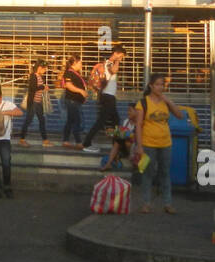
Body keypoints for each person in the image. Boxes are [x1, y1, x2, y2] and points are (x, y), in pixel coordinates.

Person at [132, 74, 193, 214]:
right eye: (158, 84)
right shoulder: (143, 103)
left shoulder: (166, 102)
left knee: (165, 173)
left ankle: (167, 203)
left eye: (162, 84)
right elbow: (139, 125)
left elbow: (180, 115)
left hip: (165, 143)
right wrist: (139, 146)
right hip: (148, 143)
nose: (160, 87)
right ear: (151, 86)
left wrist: (169, 101)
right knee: (148, 173)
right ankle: (146, 203)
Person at [83, 44, 126, 152]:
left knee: (115, 120)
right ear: (116, 53)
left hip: (108, 96)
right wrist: (117, 60)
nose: (122, 59)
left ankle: (117, 146)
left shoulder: (107, 63)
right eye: (121, 56)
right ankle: (87, 143)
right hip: (107, 97)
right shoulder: (109, 63)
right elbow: (114, 71)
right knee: (102, 122)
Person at [18, 60, 51, 147]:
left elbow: (38, 88)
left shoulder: (39, 76)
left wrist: (43, 88)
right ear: (39, 68)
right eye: (44, 69)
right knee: (28, 121)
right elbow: (33, 88)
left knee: (42, 121)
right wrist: (43, 86)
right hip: (33, 102)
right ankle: (22, 139)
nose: (45, 70)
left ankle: (45, 140)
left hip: (38, 102)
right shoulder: (33, 76)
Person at [101, 103, 139, 172]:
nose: (128, 113)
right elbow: (122, 133)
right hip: (125, 147)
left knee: (125, 141)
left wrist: (126, 134)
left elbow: (135, 138)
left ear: (136, 111)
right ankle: (109, 163)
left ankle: (117, 158)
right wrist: (112, 133)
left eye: (130, 110)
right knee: (118, 139)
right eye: (128, 111)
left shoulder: (140, 123)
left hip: (135, 147)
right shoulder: (126, 121)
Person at [60, 54, 87, 149]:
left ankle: (66, 141)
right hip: (72, 101)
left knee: (70, 121)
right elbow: (68, 85)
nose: (81, 65)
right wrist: (81, 91)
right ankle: (78, 142)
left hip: (75, 101)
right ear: (75, 62)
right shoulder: (69, 72)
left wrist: (82, 96)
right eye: (80, 63)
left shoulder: (75, 73)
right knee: (77, 121)